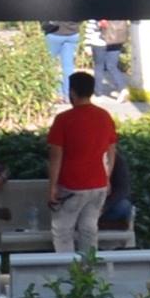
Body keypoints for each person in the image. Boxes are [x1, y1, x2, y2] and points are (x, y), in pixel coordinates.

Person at [44, 68, 116, 254]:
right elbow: (111, 151)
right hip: (98, 184)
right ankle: (88, 275)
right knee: (89, 230)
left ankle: (66, 275)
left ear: (73, 92)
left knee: (62, 230)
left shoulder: (63, 120)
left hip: (72, 185)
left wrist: (52, 187)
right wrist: (107, 178)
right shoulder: (105, 116)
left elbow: (56, 155)